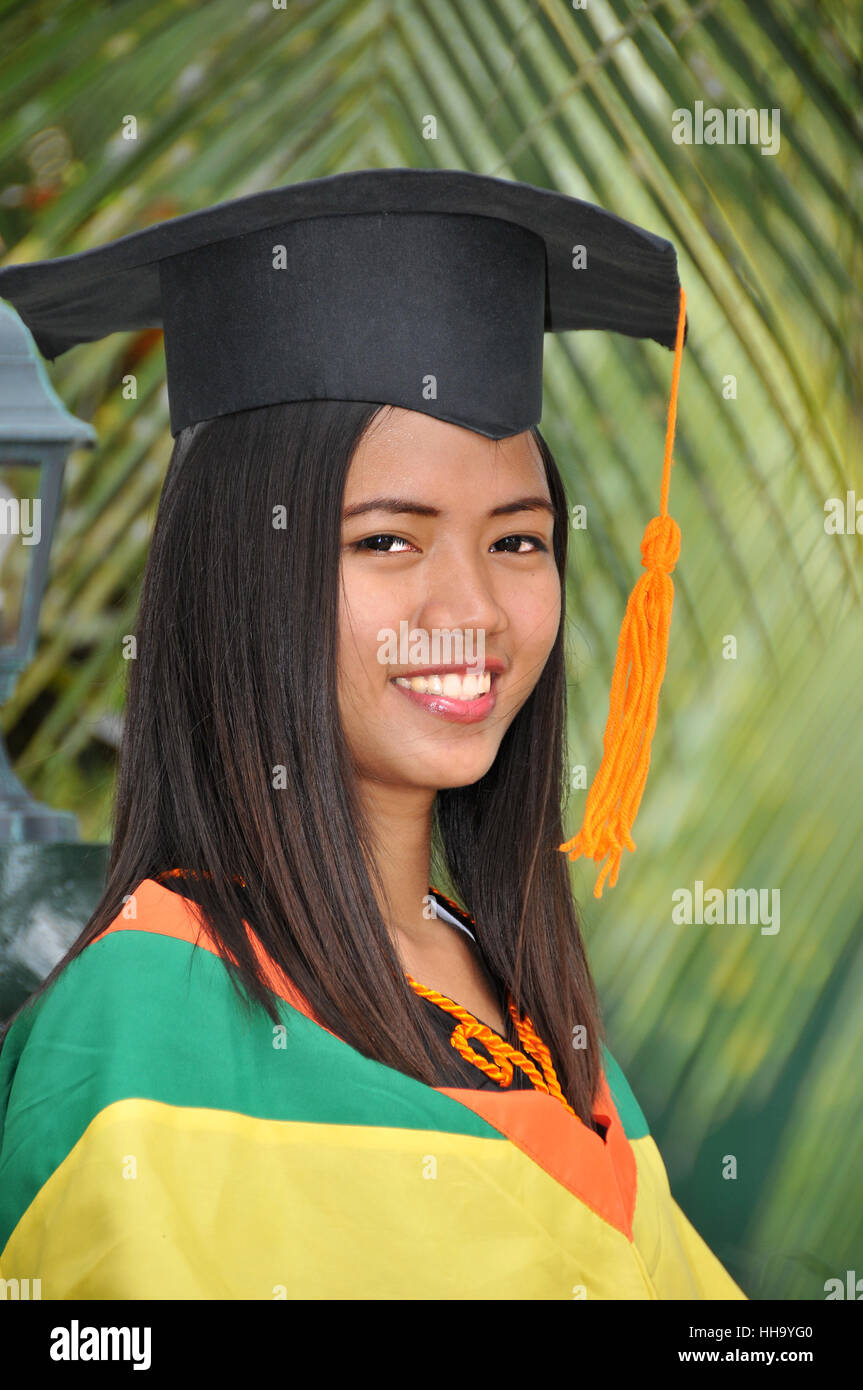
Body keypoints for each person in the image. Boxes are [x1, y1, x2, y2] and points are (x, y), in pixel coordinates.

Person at [0, 168, 746, 1299]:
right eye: (387, 542)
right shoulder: (146, 1022)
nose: (473, 616)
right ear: (239, 574)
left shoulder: (518, 997)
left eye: (517, 541)